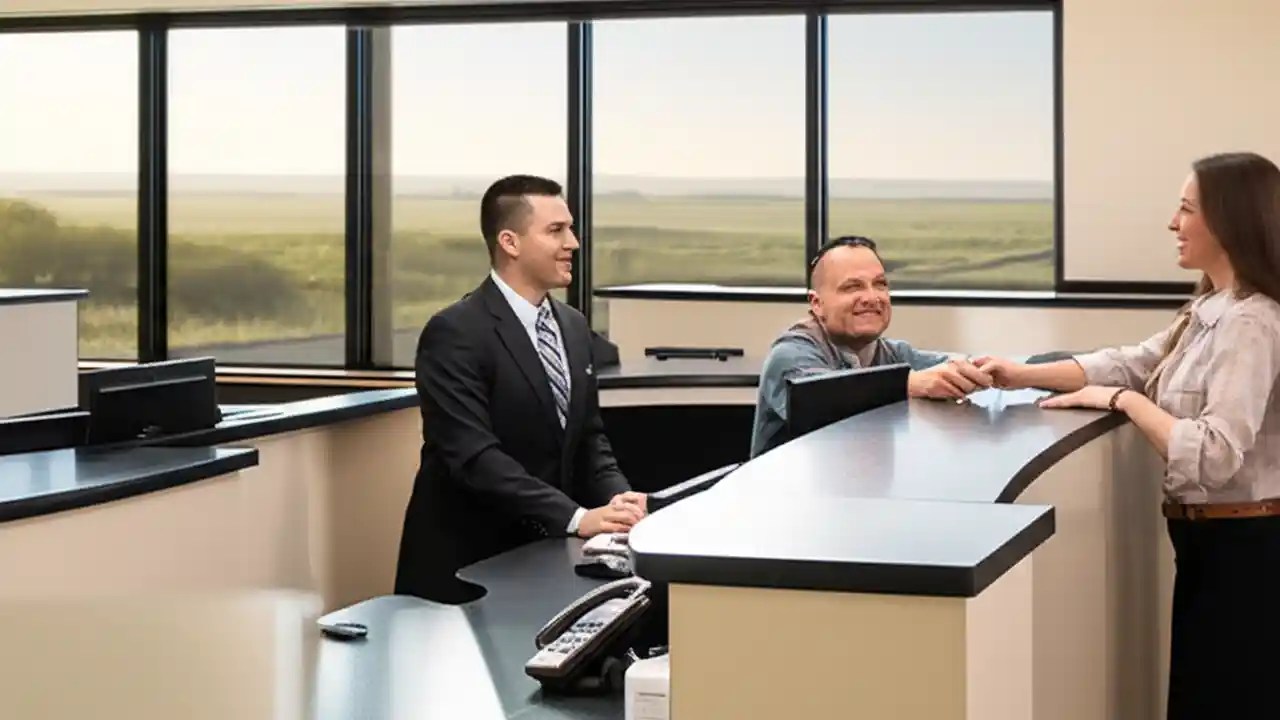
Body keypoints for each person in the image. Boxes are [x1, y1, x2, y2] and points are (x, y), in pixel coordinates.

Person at [975, 151, 1280, 720]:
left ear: (1229, 220)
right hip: (1210, 551)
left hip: (1248, 557)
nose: (1173, 223)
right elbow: (1131, 362)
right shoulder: (1210, 309)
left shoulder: (1251, 324)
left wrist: (1125, 404)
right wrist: (1019, 373)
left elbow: (1213, 453)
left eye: (1186, 209)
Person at [395, 174, 646, 603]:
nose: (573, 243)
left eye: (570, 228)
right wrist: (576, 517)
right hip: (466, 570)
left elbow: (588, 439)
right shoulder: (455, 332)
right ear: (510, 243)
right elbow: (474, 457)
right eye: (556, 231)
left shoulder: (573, 326)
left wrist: (619, 501)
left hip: (547, 564)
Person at [749, 235, 994, 457]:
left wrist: (1016, 372)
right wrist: (908, 384)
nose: (871, 298)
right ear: (817, 303)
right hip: (790, 501)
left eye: (880, 284)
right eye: (852, 287)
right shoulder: (792, 353)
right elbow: (814, 400)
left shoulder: (890, 353)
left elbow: (966, 364)